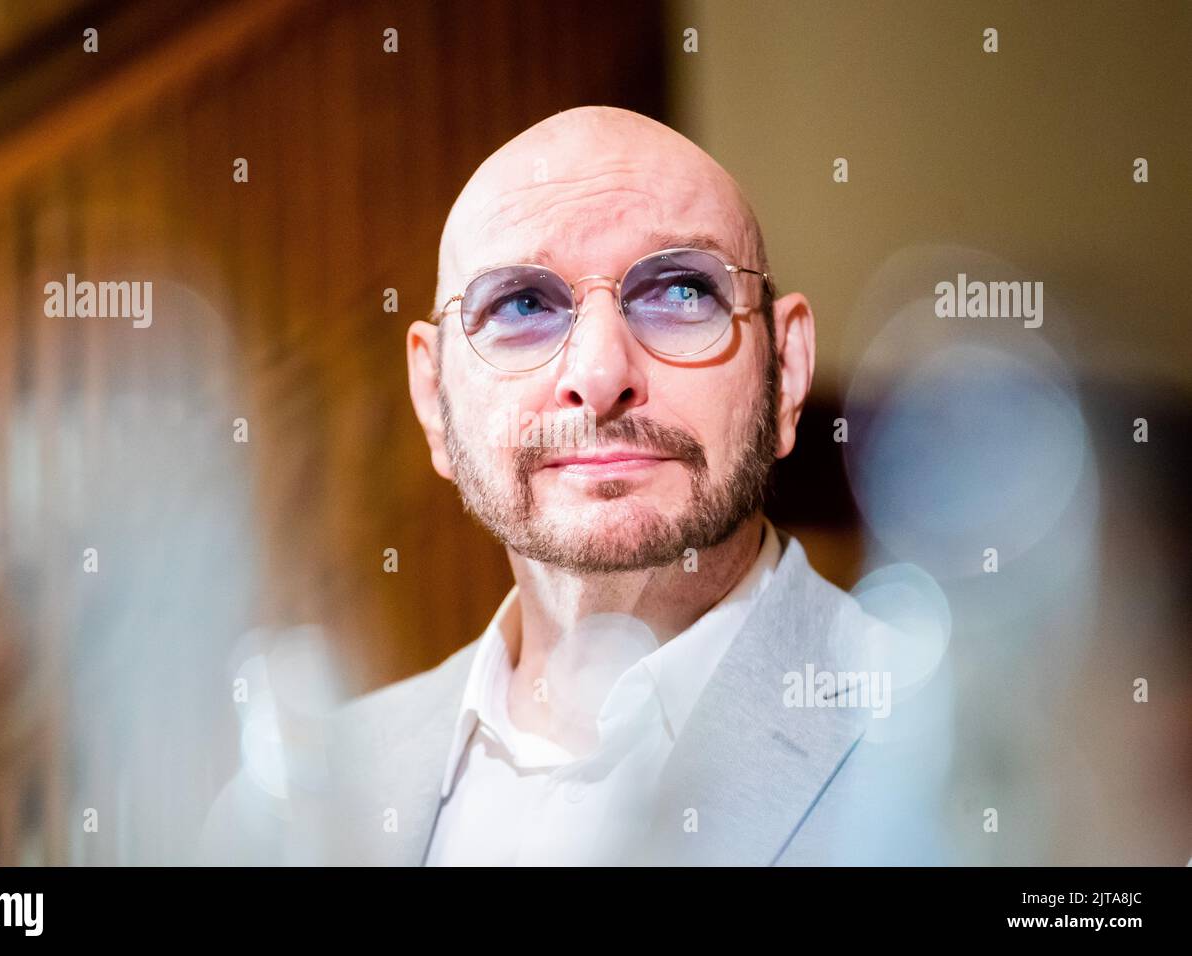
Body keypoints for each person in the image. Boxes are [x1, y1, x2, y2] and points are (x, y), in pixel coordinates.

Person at [320, 106, 889, 866]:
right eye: (522, 304)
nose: (600, 375)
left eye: (683, 293)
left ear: (785, 369)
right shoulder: (306, 802)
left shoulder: (986, 746)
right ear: (432, 393)